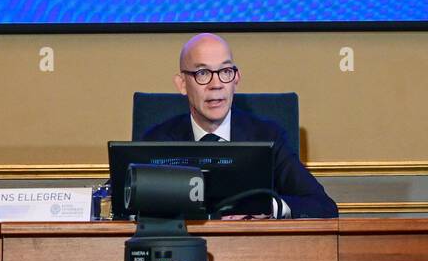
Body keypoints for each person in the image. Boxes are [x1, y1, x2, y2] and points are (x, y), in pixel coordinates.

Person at [142, 33, 337, 218]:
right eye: (203, 73)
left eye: (225, 72)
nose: (216, 84)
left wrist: (268, 206)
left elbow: (323, 206)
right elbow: (119, 203)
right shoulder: (156, 140)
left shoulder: (268, 137)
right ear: (182, 84)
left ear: (236, 79)